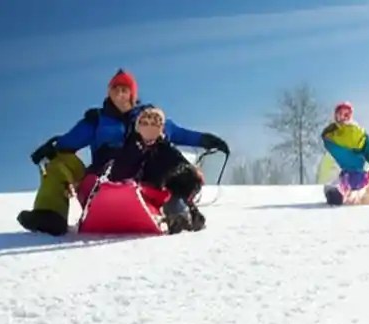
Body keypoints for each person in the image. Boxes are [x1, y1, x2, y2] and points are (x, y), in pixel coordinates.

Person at [18, 68, 228, 236]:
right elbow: (69, 142)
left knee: (161, 147)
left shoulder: (150, 119)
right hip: (101, 176)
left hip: (144, 175)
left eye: (124, 90)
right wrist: (52, 148)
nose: (120, 94)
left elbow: (180, 134)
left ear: (132, 94)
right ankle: (50, 215)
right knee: (61, 160)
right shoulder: (96, 121)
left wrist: (205, 140)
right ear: (109, 93)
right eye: (115, 89)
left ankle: (179, 206)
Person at [102, 106, 208, 233]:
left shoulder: (166, 149)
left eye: (154, 124)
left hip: (158, 191)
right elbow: (117, 172)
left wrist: (192, 175)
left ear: (161, 129)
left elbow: (183, 168)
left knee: (178, 188)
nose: (149, 127)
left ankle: (182, 216)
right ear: (138, 127)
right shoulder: (130, 147)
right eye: (145, 123)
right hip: (131, 190)